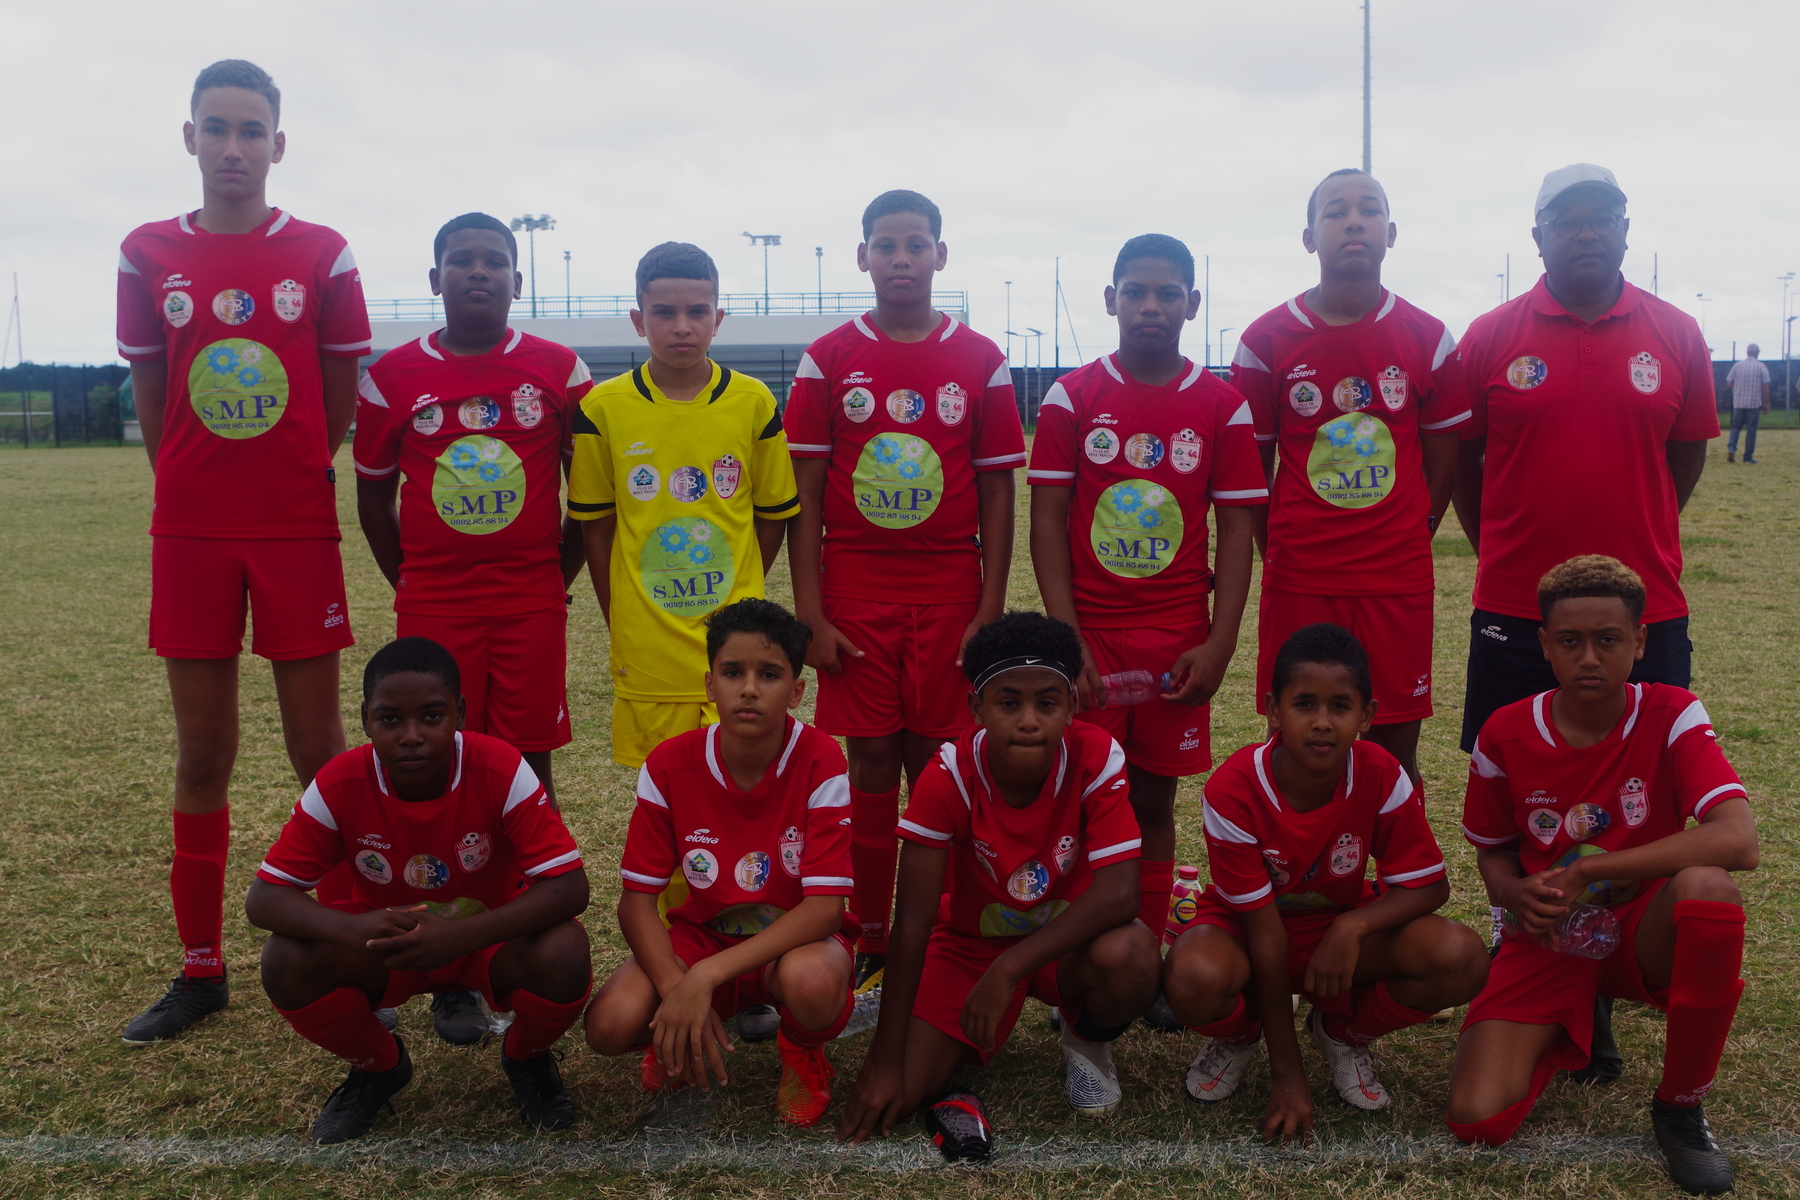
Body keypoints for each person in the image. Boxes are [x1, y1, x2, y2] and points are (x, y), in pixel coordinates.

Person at [113, 59, 372, 1044]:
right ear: (190, 138)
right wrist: (188, 483)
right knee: (203, 753)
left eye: (250, 130)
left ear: (277, 144)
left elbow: (337, 398)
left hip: (294, 527)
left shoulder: (323, 255)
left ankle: (354, 947)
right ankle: (199, 968)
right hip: (191, 532)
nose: (233, 147)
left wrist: (297, 469)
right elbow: (152, 396)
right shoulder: (146, 253)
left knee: (319, 751)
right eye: (216, 128)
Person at [1449, 163, 1719, 1082]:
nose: (1588, 232)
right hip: (1514, 609)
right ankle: (1528, 955)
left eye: (1605, 217)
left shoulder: (1676, 332)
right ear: (1538, 236)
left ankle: (1601, 977)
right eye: (1569, 220)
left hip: (1650, 607)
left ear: (1626, 229)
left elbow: (1684, 459)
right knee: (1525, 785)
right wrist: (1506, 550)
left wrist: (1634, 551)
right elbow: (1465, 464)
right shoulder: (1491, 336)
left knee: (1641, 792)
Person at [1447, 556, 1755, 1196]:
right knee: (1479, 1118)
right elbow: (1494, 855)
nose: (1589, 658)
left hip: (1645, 929)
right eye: (1570, 641)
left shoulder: (1672, 712)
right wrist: (1514, 894)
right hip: (1551, 935)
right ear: (1545, 645)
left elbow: (1737, 840)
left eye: (1608, 640)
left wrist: (1592, 869)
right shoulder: (1504, 733)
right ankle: (1574, 1012)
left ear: (1639, 642)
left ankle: (1680, 1108)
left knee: (1710, 890)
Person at [786, 190, 1026, 989]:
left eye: (916, 245)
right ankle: (870, 931)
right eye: (885, 245)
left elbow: (997, 491)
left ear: (939, 256)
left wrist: (989, 609)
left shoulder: (980, 359)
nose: (900, 258)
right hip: (856, 593)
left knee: (938, 765)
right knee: (870, 763)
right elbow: (806, 494)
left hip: (951, 591)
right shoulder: (827, 358)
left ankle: (942, 926)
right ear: (862, 257)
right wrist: (811, 613)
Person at [837, 612, 1160, 1162]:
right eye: (1009, 703)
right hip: (971, 945)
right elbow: (912, 920)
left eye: (1046, 703)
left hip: (1067, 944)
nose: (1029, 721)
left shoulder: (1096, 754)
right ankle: (924, 1033)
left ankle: (1084, 1040)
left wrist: (1008, 969)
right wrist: (885, 1060)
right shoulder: (950, 773)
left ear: (1071, 707)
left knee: (1133, 955)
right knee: (902, 1095)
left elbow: (1119, 895)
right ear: (977, 709)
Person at [246, 637, 592, 1144]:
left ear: (460, 714)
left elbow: (569, 886)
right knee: (285, 960)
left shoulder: (500, 767)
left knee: (564, 950)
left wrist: (461, 936)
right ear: (365, 719)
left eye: (431, 716)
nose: (411, 736)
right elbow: (265, 899)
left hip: (485, 941)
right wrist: (355, 929)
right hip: (385, 945)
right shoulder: (339, 781)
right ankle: (379, 1067)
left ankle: (527, 1058)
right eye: (390, 719)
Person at [1027, 233, 1265, 955]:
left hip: (1175, 637)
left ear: (1192, 304)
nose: (1151, 307)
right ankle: (1079, 951)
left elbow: (1236, 529)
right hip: (1091, 635)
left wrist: (1219, 642)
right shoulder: (1073, 397)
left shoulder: (1222, 406)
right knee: (1083, 792)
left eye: (1168, 294)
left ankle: (1150, 938)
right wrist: (1067, 641)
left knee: (1155, 798)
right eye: (1135, 293)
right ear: (1111, 300)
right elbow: (1047, 521)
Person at [1165, 623, 1486, 1142]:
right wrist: (1287, 1075)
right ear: (1273, 710)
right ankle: (1242, 1033)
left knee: (1461, 956)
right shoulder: (1233, 789)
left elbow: (1429, 887)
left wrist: (1350, 928)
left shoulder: (1380, 771)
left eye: (1340, 706)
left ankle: (1339, 1031)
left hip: (1336, 926)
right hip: (1247, 930)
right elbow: (1266, 935)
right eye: (1304, 704)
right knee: (1192, 976)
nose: (1321, 721)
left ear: (1367, 716)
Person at [1232, 170, 1468, 784]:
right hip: (1302, 575)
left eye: (1369, 209)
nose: (1354, 221)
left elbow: (1443, 461)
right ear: (1309, 237)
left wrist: (1414, 528)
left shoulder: (1429, 337)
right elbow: (1253, 474)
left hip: (1396, 577)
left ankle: (1396, 850)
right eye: (1335, 211)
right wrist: (1279, 550)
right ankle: (1296, 851)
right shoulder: (1265, 340)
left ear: (1391, 232)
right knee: (1296, 746)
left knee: (1393, 750)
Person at [583, 599, 856, 1128]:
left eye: (769, 674)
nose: (749, 688)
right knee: (610, 1024)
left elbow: (825, 909)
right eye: (733, 673)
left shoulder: (822, 758)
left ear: (796, 691)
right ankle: (679, 1041)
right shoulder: (669, 764)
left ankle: (802, 1049)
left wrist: (703, 978)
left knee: (813, 984)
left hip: (792, 946)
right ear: (710, 684)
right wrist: (677, 989)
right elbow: (636, 904)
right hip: (703, 939)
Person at [354, 212, 592, 800]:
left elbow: (588, 501)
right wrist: (412, 580)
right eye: (461, 261)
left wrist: (551, 580)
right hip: (434, 603)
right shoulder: (388, 377)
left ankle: (539, 859)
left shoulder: (562, 371)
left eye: (495, 262)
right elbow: (373, 502)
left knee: (527, 763)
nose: (479, 271)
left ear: (518, 281)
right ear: (436, 279)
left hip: (530, 603)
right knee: (437, 759)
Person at [567, 243, 799, 769]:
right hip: (648, 642)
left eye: (697, 312)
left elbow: (772, 518)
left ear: (718, 318)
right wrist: (619, 613)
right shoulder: (601, 409)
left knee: (743, 779)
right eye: (663, 312)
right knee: (664, 785)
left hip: (736, 640)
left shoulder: (754, 402)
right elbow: (596, 528)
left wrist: (741, 590)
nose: (681, 327)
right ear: (638, 320)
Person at [1723, 343, 1769, 464]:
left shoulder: (1737, 366)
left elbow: (1729, 383)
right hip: (1754, 403)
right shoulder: (1761, 367)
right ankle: (1747, 457)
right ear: (1757, 353)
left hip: (1738, 402)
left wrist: (1737, 391)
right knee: (1751, 430)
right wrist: (1767, 402)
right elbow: (1765, 386)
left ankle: (1731, 448)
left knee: (1735, 427)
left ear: (1747, 352)